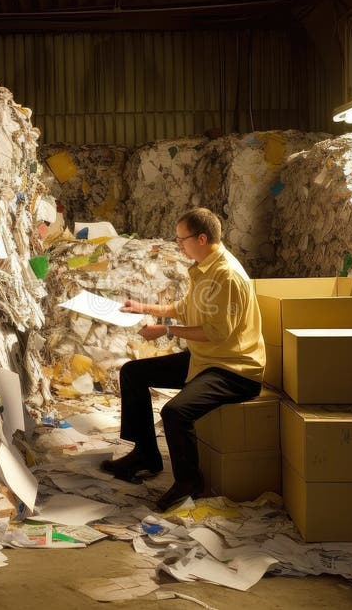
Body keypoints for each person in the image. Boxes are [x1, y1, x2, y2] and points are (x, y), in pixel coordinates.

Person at [101, 207, 265, 510]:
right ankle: (146, 454)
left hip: (234, 369)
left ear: (201, 238)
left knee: (175, 412)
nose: (179, 245)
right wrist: (144, 308)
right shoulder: (204, 267)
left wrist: (164, 330)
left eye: (182, 240)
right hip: (204, 359)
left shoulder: (225, 275)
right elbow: (187, 307)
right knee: (132, 373)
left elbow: (217, 333)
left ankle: (189, 481)